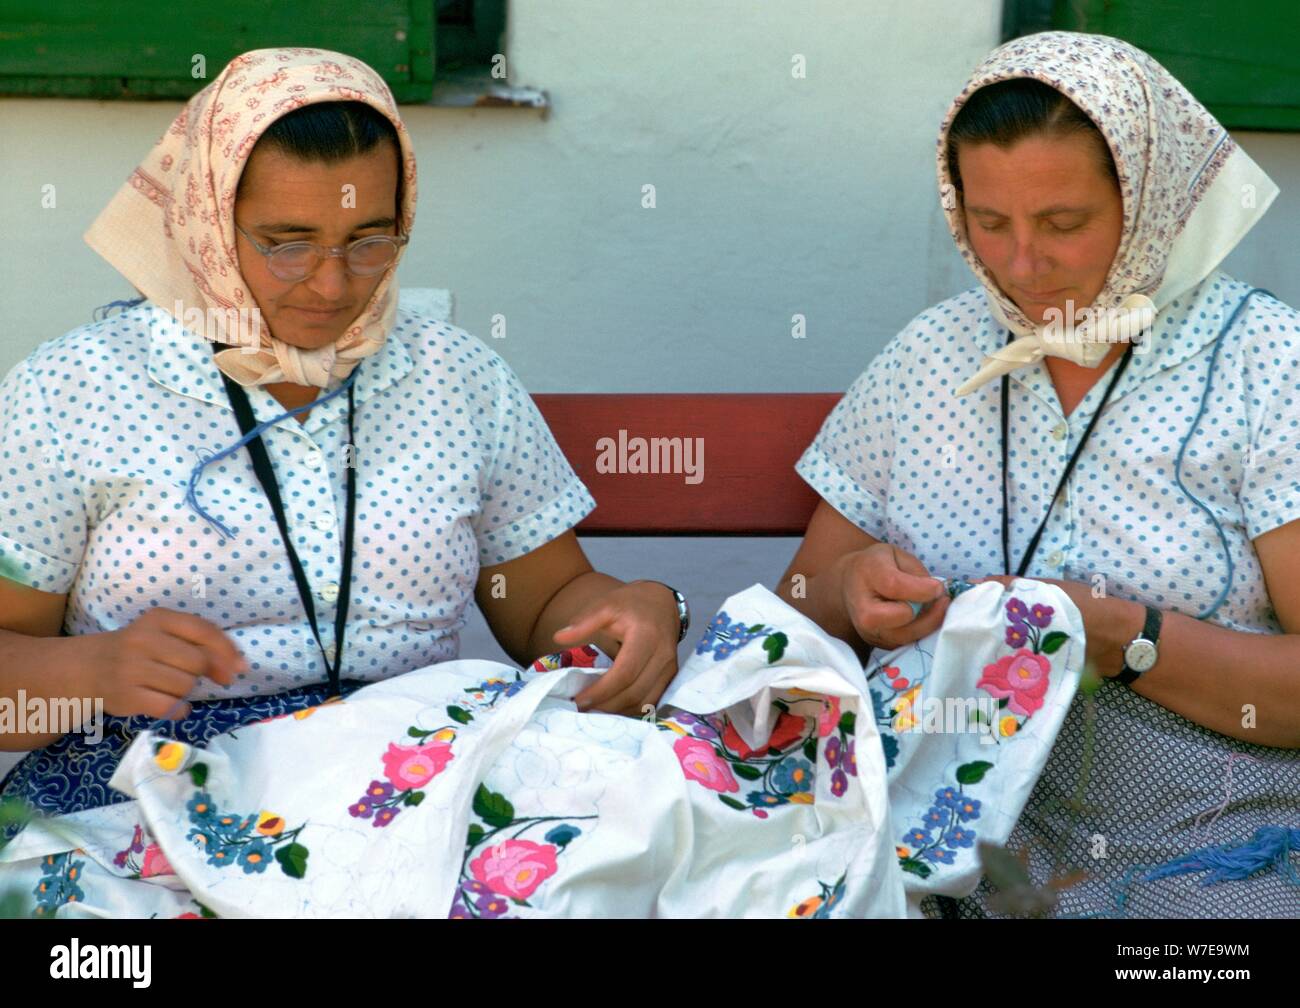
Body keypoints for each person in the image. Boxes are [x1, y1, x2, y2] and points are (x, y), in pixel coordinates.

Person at [0, 48, 686, 831]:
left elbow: (546, 607)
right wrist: (92, 671)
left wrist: (636, 609)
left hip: (410, 783)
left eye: (369, 241)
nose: (332, 286)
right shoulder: (74, 392)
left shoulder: (457, 379)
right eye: (286, 243)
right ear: (206, 221)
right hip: (150, 794)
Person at [779, 31, 1300, 918]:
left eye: (1064, 223)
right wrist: (847, 592)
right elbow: (800, 609)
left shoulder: (1266, 364)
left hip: (1202, 854)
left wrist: (1121, 639)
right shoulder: (932, 357)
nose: (1021, 265)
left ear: (1151, 199)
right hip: (938, 835)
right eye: (988, 224)